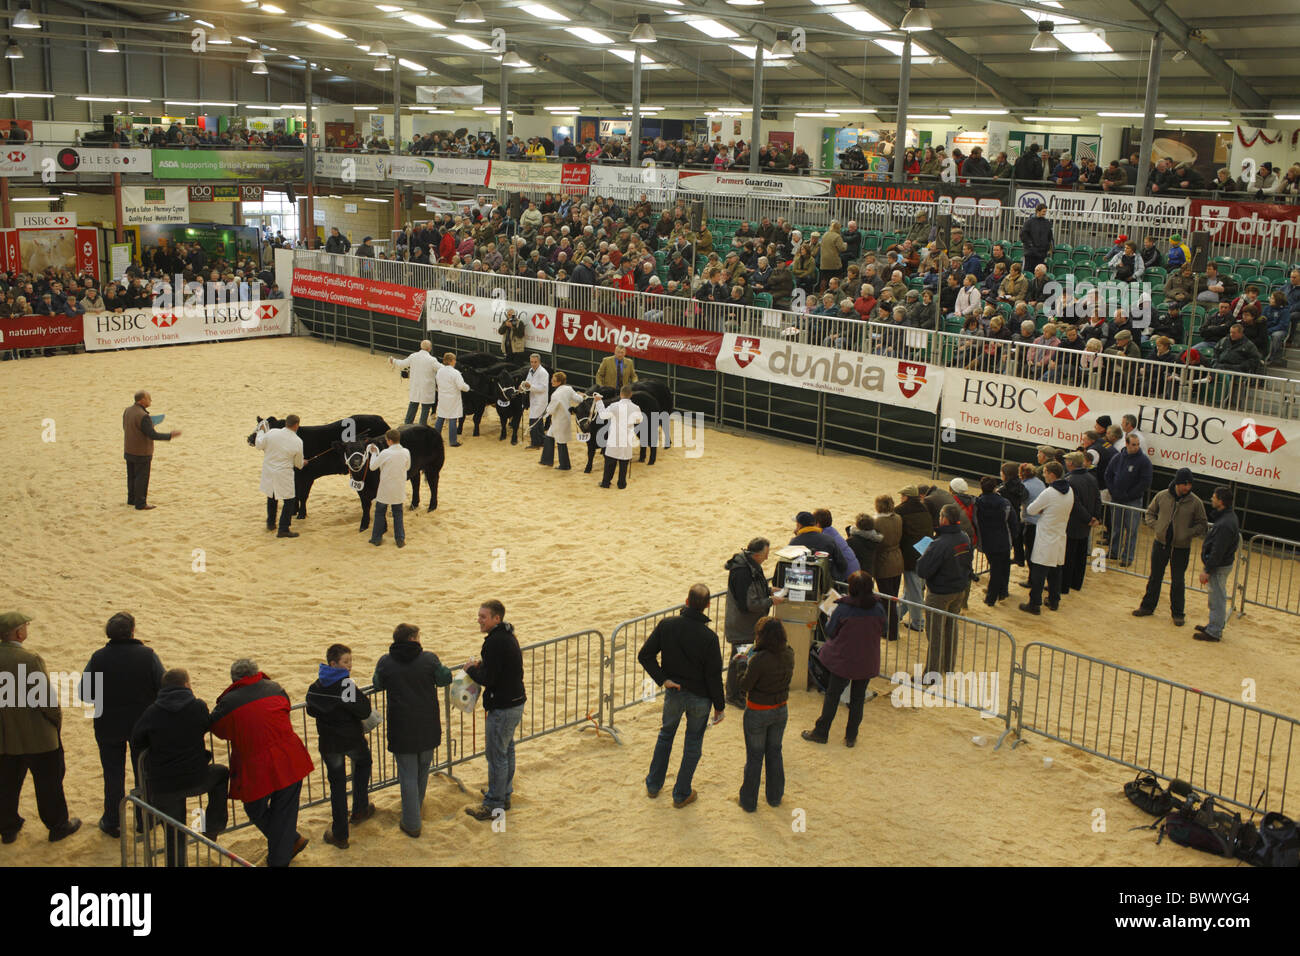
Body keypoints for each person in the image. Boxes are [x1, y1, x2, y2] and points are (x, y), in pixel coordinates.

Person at [209, 659, 314, 867]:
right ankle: (289, 842)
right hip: (289, 756)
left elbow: (219, 729)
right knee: (283, 810)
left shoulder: (229, 702)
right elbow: (286, 707)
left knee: (256, 808)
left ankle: (280, 858)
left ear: (234, 680)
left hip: (256, 764)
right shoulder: (275, 688)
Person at [639, 584, 725, 808]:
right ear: (707, 605)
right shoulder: (709, 637)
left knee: (666, 735)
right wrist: (720, 706)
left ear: (686, 601)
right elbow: (714, 676)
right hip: (700, 697)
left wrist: (663, 679)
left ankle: (653, 785)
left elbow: (645, 655)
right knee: (693, 742)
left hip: (674, 692)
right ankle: (681, 793)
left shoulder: (667, 625)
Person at [130, 668, 230, 859]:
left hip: (165, 785)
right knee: (221, 774)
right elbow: (206, 724)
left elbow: (137, 741)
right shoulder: (197, 706)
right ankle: (213, 826)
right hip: (196, 778)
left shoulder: (152, 712)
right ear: (186, 685)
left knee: (174, 835)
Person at [0, 611, 81, 844]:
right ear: (18, 632)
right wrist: (56, 720)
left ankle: (7, 828)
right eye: (25, 626)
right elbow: (45, 700)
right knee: (48, 783)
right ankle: (57, 826)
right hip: (37, 736)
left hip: (5, 735)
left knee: (6, 783)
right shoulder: (29, 659)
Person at [80, 612, 163, 839]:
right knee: (143, 773)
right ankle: (144, 821)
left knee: (112, 775)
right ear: (133, 632)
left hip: (108, 726)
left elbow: (85, 693)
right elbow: (162, 686)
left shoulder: (98, 658)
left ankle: (112, 822)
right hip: (142, 725)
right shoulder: (148, 655)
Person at [372, 624, 452, 837]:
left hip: (401, 725)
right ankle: (414, 813)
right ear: (413, 639)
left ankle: (412, 821)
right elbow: (445, 678)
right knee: (423, 768)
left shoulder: (386, 661)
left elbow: (377, 684)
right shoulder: (428, 658)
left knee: (407, 774)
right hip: (427, 724)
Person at [803, 571, 885, 746]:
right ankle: (851, 737)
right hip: (866, 660)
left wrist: (832, 618)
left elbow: (831, 631)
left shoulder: (844, 608)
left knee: (832, 696)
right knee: (857, 699)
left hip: (844, 660)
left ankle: (821, 732)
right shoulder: (878, 608)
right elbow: (881, 628)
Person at [306, 643, 375, 850]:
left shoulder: (316, 686)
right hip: (350, 739)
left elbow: (310, 709)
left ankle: (340, 834)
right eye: (345, 662)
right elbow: (363, 710)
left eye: (350, 661)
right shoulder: (345, 686)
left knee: (337, 786)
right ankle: (360, 808)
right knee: (363, 764)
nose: (349, 666)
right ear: (333, 663)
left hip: (329, 743)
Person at [464, 601, 526, 821]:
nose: (479, 620)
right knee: (507, 750)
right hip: (516, 702)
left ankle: (493, 804)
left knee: (496, 755)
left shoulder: (494, 643)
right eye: (479, 616)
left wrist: (472, 670)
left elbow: (489, 679)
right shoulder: (509, 636)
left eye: (483, 617)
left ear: (496, 619)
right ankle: (503, 794)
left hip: (503, 706)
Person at [1132, 468, 1207, 628]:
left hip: (1181, 547)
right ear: (1178, 483)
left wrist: (1188, 533)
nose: (1188, 487)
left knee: (1178, 581)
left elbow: (1202, 524)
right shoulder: (1162, 496)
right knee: (1155, 577)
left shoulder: (1195, 502)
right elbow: (1150, 514)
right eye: (1185, 484)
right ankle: (1147, 606)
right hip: (1160, 544)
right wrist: (1158, 527)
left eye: (1190, 484)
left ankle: (1178, 613)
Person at [737, 617, 794, 811]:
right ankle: (775, 796)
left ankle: (748, 801)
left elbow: (744, 685)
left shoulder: (759, 660)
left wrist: (742, 664)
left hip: (758, 711)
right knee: (775, 753)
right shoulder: (789, 653)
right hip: (781, 709)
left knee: (754, 757)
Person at [723, 538, 783, 706]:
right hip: (742, 625)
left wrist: (769, 590)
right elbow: (749, 604)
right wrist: (771, 601)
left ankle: (738, 692)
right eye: (765, 554)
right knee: (738, 660)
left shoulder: (750, 565)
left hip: (746, 624)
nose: (767, 557)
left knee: (742, 658)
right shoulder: (743, 572)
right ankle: (733, 695)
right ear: (756, 555)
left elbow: (755, 589)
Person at [916, 505, 973, 675]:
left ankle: (932, 673)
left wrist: (926, 553)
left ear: (944, 519)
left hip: (940, 592)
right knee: (950, 628)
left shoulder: (940, 543)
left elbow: (922, 570)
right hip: (959, 588)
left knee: (935, 633)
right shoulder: (964, 537)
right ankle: (947, 667)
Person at [1019, 461, 1073, 614]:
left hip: (1046, 536)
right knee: (1055, 571)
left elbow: (1031, 509)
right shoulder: (1070, 490)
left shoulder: (1049, 492)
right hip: (1060, 535)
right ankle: (1054, 600)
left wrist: (1043, 510)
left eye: (1045, 472)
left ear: (1051, 474)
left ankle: (1034, 603)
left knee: (1039, 572)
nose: (1043, 475)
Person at [122, 389, 181, 511]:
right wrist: (170, 435)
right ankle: (141, 503)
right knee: (141, 478)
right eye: (149, 398)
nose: (150, 400)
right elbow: (152, 435)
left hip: (129, 449)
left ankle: (131, 500)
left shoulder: (128, 411)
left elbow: (126, 427)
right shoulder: (143, 416)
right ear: (142, 400)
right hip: (141, 452)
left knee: (131, 476)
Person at [1196, 487, 1239, 642]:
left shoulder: (1225, 523)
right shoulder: (1227, 518)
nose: (1211, 499)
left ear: (1220, 501)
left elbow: (1218, 550)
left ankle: (1214, 631)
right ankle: (1214, 625)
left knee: (1217, 598)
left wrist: (1207, 569)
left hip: (1219, 566)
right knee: (1216, 597)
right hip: (1220, 564)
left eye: (1214, 497)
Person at [1104, 431, 1152, 567]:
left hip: (1133, 500)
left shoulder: (1144, 461)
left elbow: (1145, 482)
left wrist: (1129, 495)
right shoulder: (1117, 458)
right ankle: (1114, 551)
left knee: (1131, 530)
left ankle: (1127, 557)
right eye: (1133, 444)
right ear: (1126, 444)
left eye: (1137, 445)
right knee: (1116, 527)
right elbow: (1108, 475)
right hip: (1117, 498)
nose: (1136, 447)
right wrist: (1113, 491)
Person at [1060, 452, 1102, 597]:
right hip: (1086, 524)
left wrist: (1088, 518)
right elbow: (1098, 498)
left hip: (1073, 523)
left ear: (1071, 463)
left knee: (1069, 556)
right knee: (1080, 555)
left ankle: (1064, 586)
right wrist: (1095, 517)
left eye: (1067, 461)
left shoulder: (1069, 480)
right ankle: (1076, 583)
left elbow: (1075, 503)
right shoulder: (1091, 478)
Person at [255, 413, 304, 538]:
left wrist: (261, 432)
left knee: (271, 496)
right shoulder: (297, 441)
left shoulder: (272, 433)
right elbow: (298, 464)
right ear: (296, 425)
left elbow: (259, 445)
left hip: (269, 471)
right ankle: (283, 528)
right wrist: (303, 462)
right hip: (283, 473)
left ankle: (271, 523)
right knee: (289, 500)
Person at [972, 477, 1017, 606]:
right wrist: (1013, 536)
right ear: (995, 487)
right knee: (1000, 568)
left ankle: (1000, 593)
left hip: (987, 541)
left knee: (997, 567)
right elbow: (1013, 522)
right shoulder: (1004, 503)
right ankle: (993, 597)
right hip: (1003, 540)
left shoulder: (978, 503)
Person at [365, 428, 411, 548]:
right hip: (399, 486)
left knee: (380, 512)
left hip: (386, 487)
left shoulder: (385, 453)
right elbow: (408, 466)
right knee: (398, 513)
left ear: (389, 440)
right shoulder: (406, 451)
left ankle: (376, 538)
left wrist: (374, 454)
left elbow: (372, 467)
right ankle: (400, 539)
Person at [897, 485, 933, 633]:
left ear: (906, 497)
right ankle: (897, 614)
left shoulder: (900, 511)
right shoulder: (925, 509)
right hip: (926, 551)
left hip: (910, 555)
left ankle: (918, 623)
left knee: (914, 590)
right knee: (911, 589)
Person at [594, 384, 643, 489]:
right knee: (624, 461)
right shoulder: (635, 407)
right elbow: (640, 419)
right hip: (627, 437)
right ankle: (621, 484)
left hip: (614, 437)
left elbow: (602, 415)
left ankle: (606, 482)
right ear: (631, 395)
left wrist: (598, 402)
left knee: (610, 461)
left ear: (621, 394)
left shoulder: (614, 406)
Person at [870, 496, 903, 641]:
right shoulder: (898, 518)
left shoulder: (877, 522)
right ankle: (891, 629)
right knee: (893, 597)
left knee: (887, 599)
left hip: (884, 562)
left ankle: (891, 631)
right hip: (897, 558)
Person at [540, 370, 583, 470]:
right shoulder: (568, 388)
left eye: (554, 380)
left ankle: (565, 465)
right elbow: (579, 400)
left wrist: (544, 415)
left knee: (561, 442)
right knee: (549, 436)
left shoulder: (555, 395)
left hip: (559, 421)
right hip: (563, 419)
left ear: (559, 382)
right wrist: (582, 395)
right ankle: (546, 460)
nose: (551, 382)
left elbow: (550, 410)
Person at [390, 340, 439, 426]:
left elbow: (402, 363)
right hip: (427, 387)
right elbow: (441, 369)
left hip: (415, 386)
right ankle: (421, 425)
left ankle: (407, 424)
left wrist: (393, 360)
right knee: (425, 407)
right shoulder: (432, 360)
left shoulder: (413, 356)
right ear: (429, 348)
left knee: (413, 404)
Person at [789, 511, 847, 580]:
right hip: (827, 583)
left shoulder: (794, 542)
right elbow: (843, 565)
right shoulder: (829, 539)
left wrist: (797, 537)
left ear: (799, 525)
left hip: (803, 581)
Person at [434, 352, 470, 447]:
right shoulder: (455, 373)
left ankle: (436, 439)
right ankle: (453, 441)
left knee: (440, 417)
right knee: (453, 418)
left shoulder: (440, 371)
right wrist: (468, 388)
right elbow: (461, 386)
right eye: (454, 360)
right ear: (451, 361)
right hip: (453, 398)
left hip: (442, 397)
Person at [814, 508, 860, 577]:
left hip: (849, 577)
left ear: (817, 524)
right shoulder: (832, 532)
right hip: (855, 571)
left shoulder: (824, 538)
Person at [520, 354, 549, 449]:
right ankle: (542, 441)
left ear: (539, 362)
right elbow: (528, 381)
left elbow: (543, 388)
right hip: (533, 399)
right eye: (531, 362)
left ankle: (535, 443)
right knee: (538, 421)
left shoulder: (543, 373)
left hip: (540, 400)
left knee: (533, 420)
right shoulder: (531, 371)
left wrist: (529, 386)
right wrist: (523, 386)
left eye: (535, 362)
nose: (533, 364)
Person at [1020, 203, 1054, 273]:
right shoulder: (1029, 222)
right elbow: (1023, 235)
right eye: (1043, 211)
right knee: (1028, 272)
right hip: (1030, 253)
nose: (1045, 213)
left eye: (1045, 211)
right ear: (1038, 211)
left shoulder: (1047, 223)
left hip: (1041, 254)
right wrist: (1030, 245)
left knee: (1039, 273)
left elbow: (1050, 237)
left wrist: (1047, 247)